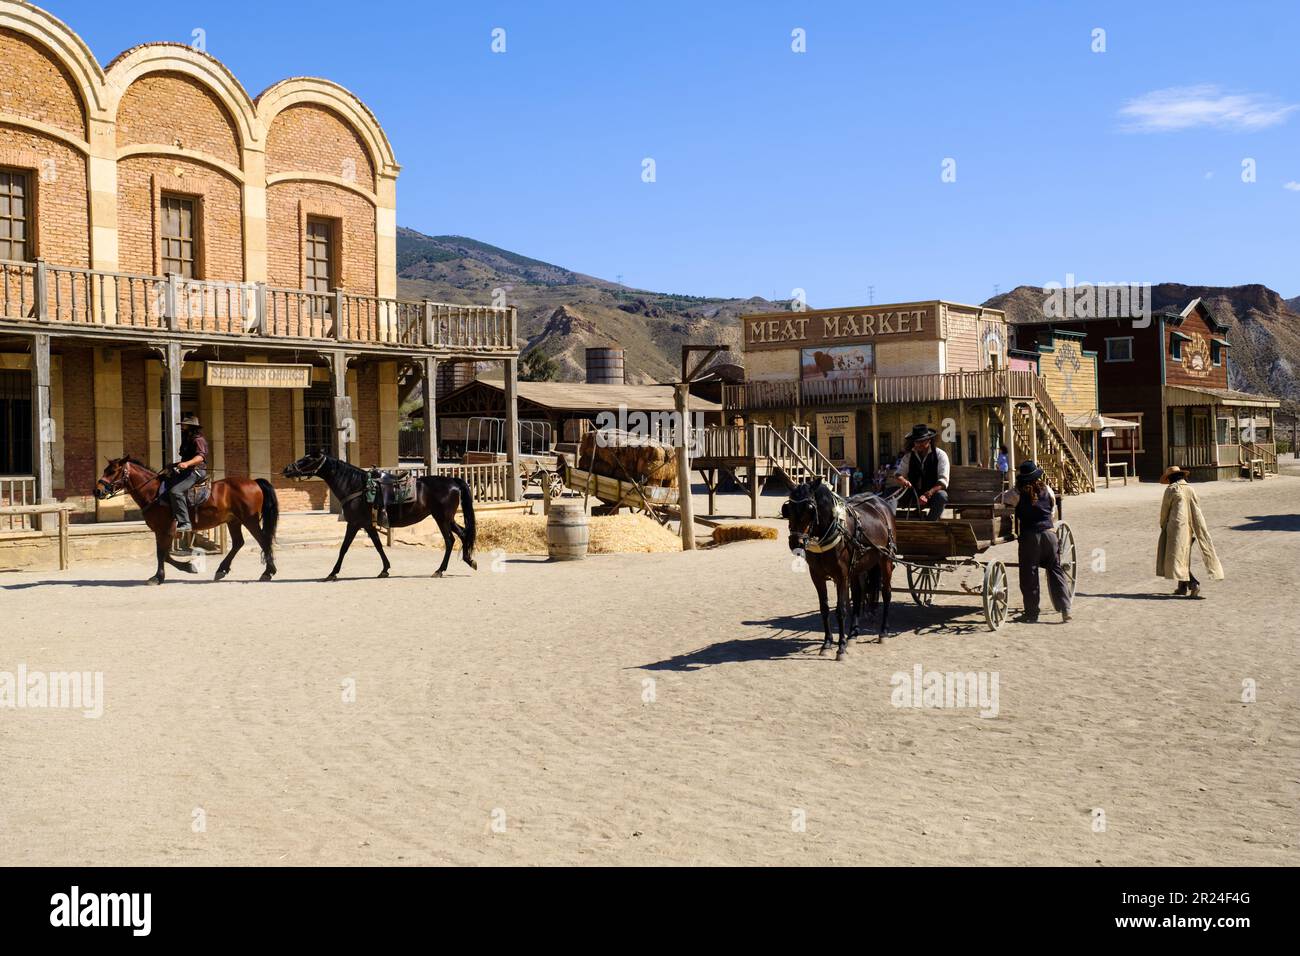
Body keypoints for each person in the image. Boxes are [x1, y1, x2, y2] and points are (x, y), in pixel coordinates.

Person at [997, 460, 1071, 623]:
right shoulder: (1048, 490)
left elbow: (1002, 499)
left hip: (1030, 537)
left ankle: (1031, 613)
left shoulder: (1017, 493)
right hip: (1049, 535)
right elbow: (1052, 511)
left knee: (1029, 574)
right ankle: (1065, 608)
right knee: (1055, 570)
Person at [1156, 465, 1223, 598]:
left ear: (1170, 478)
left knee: (1177, 559)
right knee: (1183, 557)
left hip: (1176, 529)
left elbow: (1164, 511)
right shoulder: (1191, 489)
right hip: (1192, 527)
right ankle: (1181, 587)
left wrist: (1163, 525)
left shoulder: (1171, 490)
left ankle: (1193, 583)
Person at [167, 413, 208, 545]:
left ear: (191, 427)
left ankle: (185, 522)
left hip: (196, 471)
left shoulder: (198, 439)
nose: (182, 427)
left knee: (176, 491)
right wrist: (175, 465)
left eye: (184, 425)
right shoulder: (187, 438)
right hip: (187, 470)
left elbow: (200, 457)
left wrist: (186, 464)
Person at [894, 424, 950, 520]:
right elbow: (899, 474)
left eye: (921, 441)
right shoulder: (908, 456)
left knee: (942, 496)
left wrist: (928, 494)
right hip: (913, 493)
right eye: (916, 441)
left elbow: (943, 482)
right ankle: (892, 525)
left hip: (932, 494)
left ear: (929, 440)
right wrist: (903, 480)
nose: (918, 444)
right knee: (889, 494)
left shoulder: (940, 455)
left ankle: (930, 524)